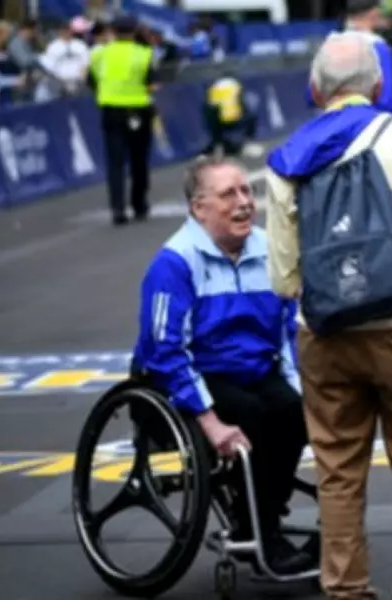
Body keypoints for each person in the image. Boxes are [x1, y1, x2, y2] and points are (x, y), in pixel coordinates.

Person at [265, 31, 392, 600]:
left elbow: (282, 277)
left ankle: (347, 590)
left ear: (314, 89)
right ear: (379, 85)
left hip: (326, 335)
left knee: (337, 471)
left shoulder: (287, 160)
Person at [131, 155, 319, 578]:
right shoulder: (174, 264)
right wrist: (210, 422)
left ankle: (261, 520)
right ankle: (262, 530)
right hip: (182, 379)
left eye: (246, 191)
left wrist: (304, 393)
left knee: (295, 413)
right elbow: (164, 353)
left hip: (252, 371)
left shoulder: (270, 249)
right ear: (199, 209)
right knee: (252, 416)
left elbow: (287, 335)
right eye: (228, 194)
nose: (244, 202)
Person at [87, 14, 155, 226]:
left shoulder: (99, 55)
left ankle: (117, 208)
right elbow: (151, 83)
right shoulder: (144, 54)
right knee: (139, 159)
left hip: (111, 110)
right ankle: (139, 204)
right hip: (138, 109)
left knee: (115, 162)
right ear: (135, 31)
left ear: (113, 32)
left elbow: (91, 81)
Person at [304, 0, 392, 114]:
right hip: (367, 120)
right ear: (373, 13)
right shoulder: (377, 46)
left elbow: (311, 95)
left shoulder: (329, 43)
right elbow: (387, 100)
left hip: (331, 119)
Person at [202, 71, 259, 157]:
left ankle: (218, 145)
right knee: (252, 113)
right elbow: (243, 103)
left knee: (211, 117)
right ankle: (248, 143)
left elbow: (208, 107)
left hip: (218, 122)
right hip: (235, 118)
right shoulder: (236, 85)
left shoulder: (213, 87)